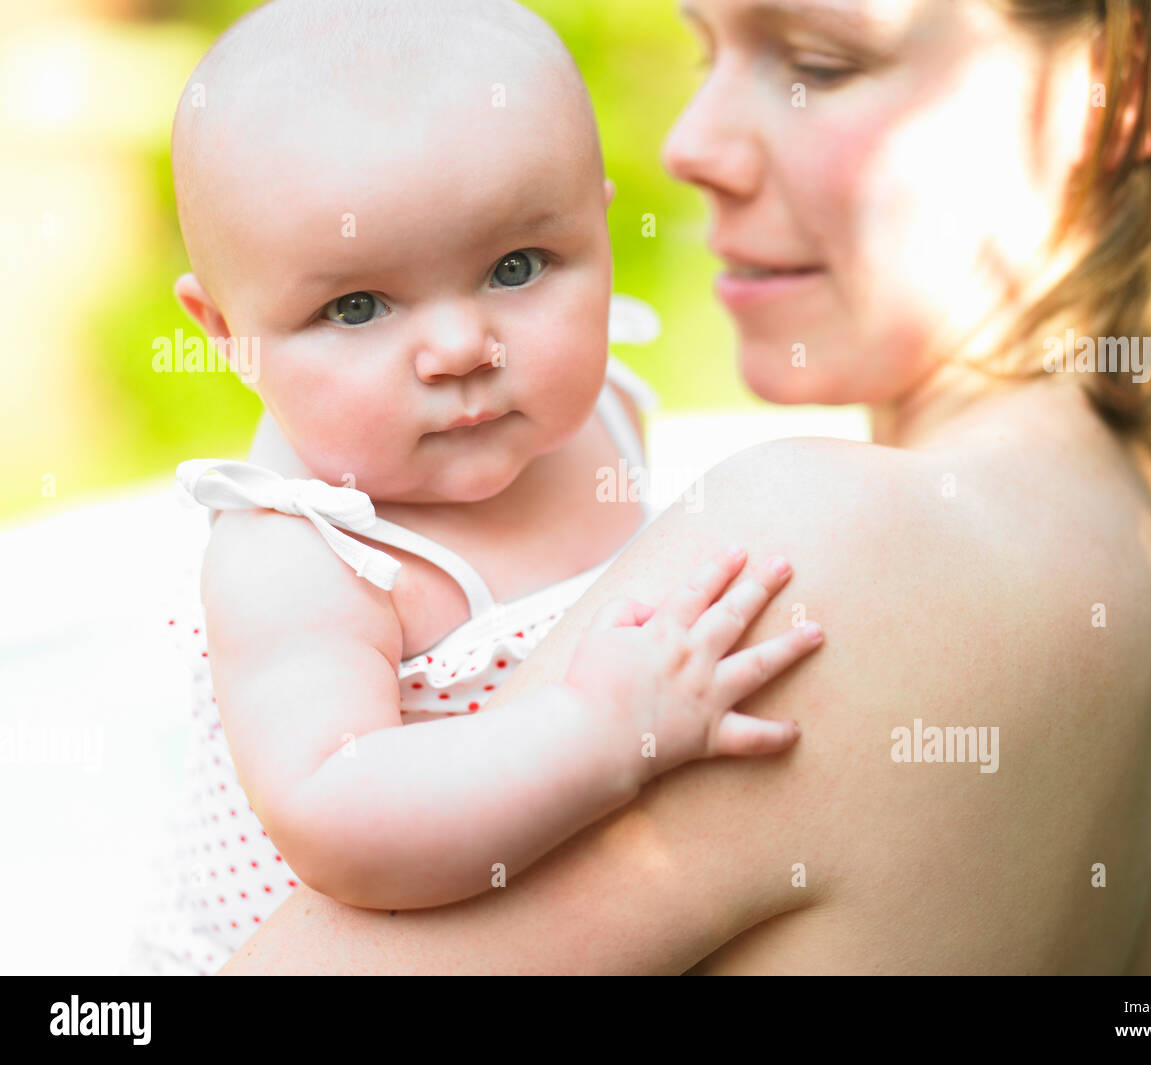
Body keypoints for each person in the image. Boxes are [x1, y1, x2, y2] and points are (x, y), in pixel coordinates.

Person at [222, 0, 1151, 974]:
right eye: (705, 48)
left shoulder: (825, 552)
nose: (690, 148)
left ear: (1133, 87)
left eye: (821, 65)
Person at [122, 0, 821, 976]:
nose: (459, 349)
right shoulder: (304, 554)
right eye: (356, 306)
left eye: (515, 267)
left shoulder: (599, 411)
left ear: (600, 230)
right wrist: (601, 732)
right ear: (225, 332)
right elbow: (339, 819)